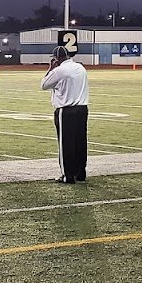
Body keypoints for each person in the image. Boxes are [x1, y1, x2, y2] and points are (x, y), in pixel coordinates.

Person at [41, 44, 89, 184]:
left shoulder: (59, 71)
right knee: (80, 142)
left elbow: (43, 84)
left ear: (57, 58)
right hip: (82, 109)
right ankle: (80, 173)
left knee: (66, 143)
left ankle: (68, 175)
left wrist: (51, 68)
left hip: (66, 110)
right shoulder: (80, 67)